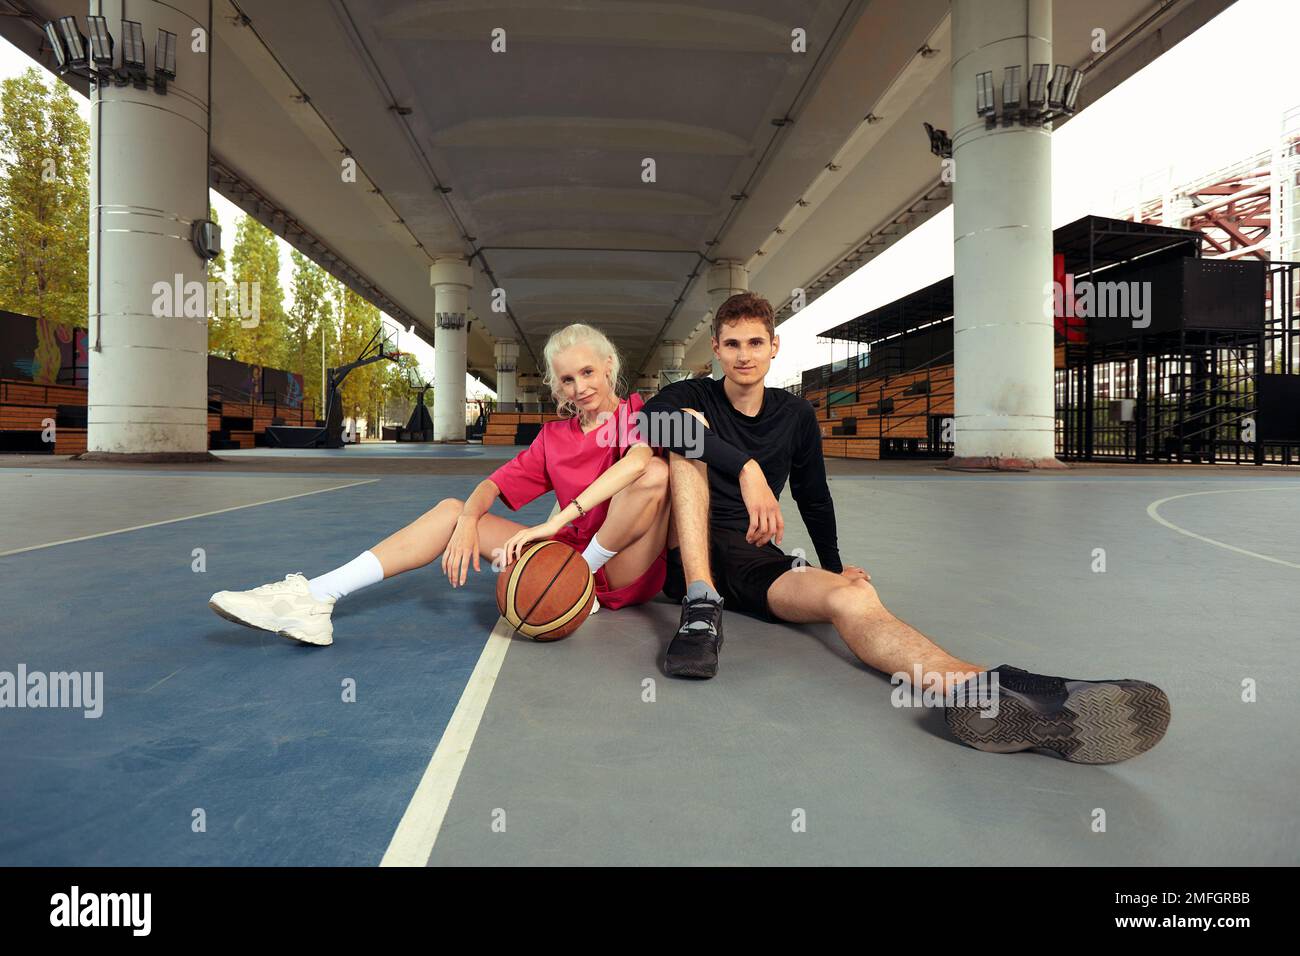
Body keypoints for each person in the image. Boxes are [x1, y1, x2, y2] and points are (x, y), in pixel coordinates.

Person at [641, 292, 1170, 764]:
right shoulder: (694, 394)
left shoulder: (795, 414)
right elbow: (649, 423)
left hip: (751, 557)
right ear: (716, 348)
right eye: (732, 344)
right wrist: (747, 467)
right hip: (679, 552)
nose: (744, 355)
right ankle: (699, 598)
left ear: (774, 346)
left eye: (755, 342)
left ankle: (991, 689)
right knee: (688, 432)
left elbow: (813, 495)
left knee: (852, 598)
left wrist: (831, 567)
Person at [208, 323, 670, 645]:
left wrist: (555, 529)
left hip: (620, 562)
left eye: (587, 372)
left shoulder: (639, 412)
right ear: (557, 387)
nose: (579, 387)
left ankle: (582, 576)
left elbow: (638, 468)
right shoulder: (554, 437)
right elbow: (492, 485)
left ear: (609, 365)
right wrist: (469, 519)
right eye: (567, 379)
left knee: (656, 473)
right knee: (452, 509)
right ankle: (316, 597)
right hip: (564, 552)